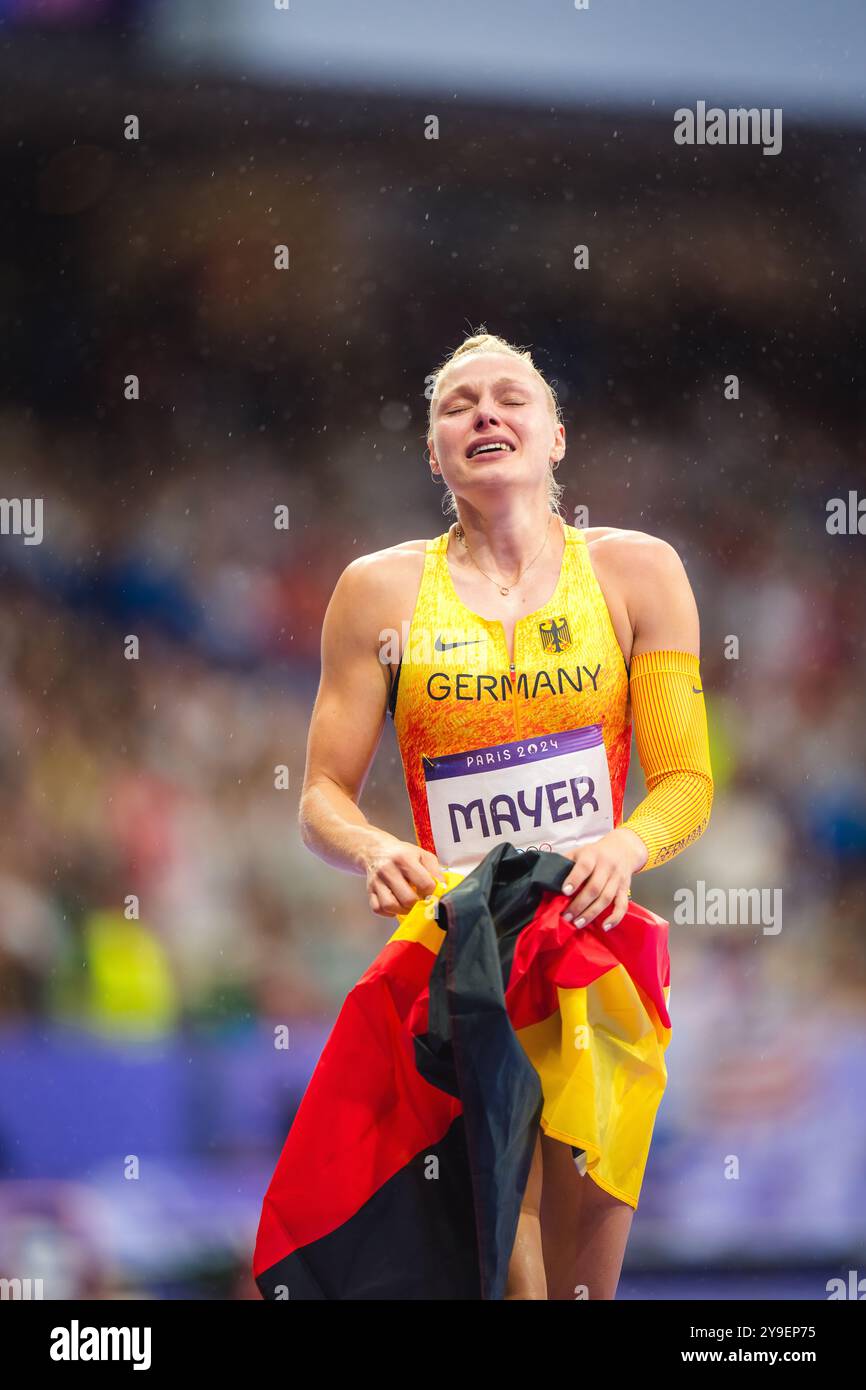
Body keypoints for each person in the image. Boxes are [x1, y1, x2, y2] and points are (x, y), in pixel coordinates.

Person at [297, 329, 714, 1299]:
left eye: (509, 397)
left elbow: (685, 781)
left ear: (555, 436)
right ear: (435, 452)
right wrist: (370, 845)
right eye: (456, 405)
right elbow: (318, 796)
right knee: (502, 1272)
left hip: (593, 955)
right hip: (461, 957)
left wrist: (623, 840)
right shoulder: (378, 591)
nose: (484, 412)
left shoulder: (634, 573)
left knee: (579, 1285)